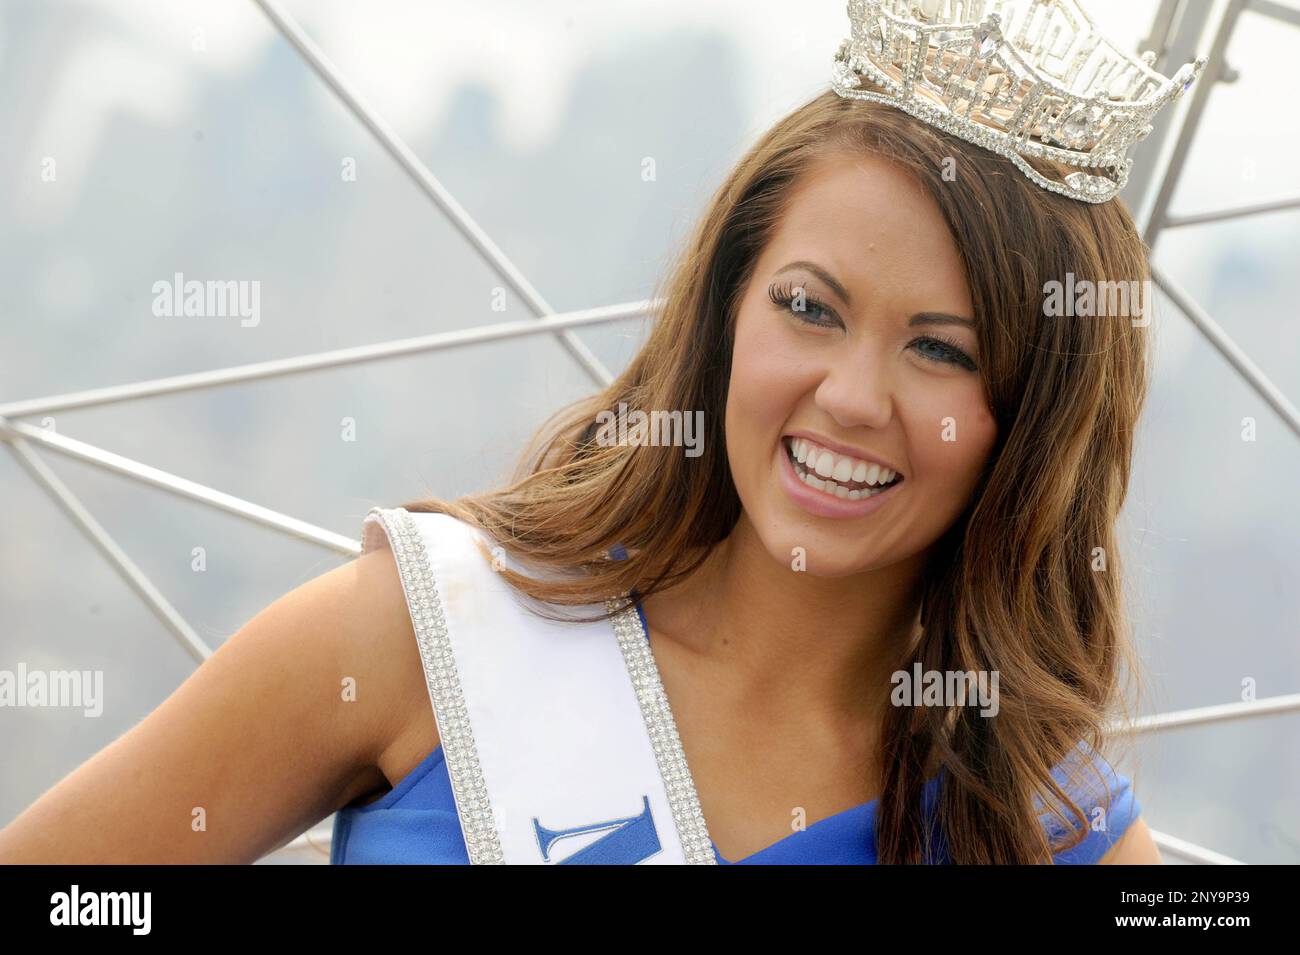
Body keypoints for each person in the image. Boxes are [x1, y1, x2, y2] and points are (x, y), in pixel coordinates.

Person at [0, 2, 1189, 865]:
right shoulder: (426, 628)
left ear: (1028, 418)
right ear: (726, 312)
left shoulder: (1046, 830)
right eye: (807, 308)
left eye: (942, 348)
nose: (850, 396)